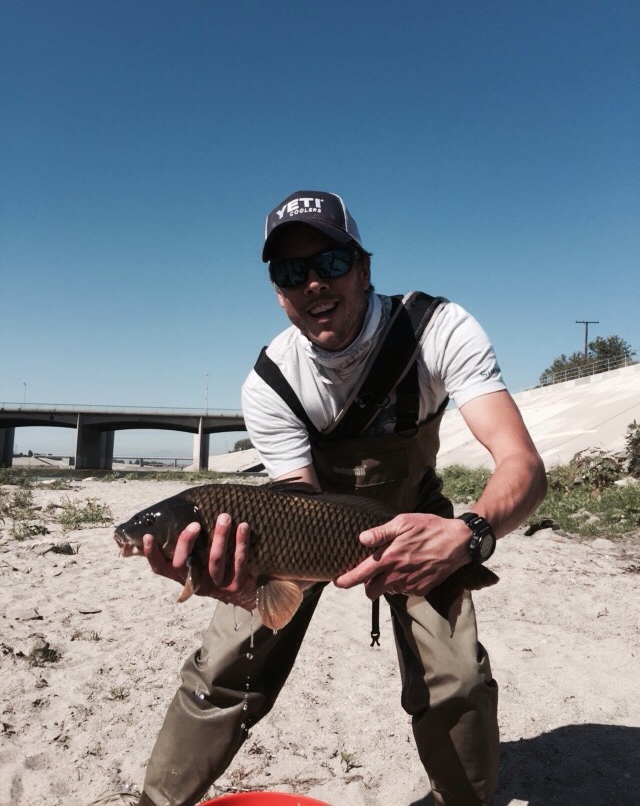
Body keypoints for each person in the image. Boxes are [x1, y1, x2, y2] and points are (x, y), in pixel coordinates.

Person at [136, 190, 547, 806]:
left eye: (328, 263)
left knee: (457, 675)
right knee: (223, 667)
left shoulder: (438, 329)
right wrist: (245, 576)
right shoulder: (271, 379)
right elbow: (294, 501)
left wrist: (470, 533)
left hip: (417, 512)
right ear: (278, 291)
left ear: (363, 268)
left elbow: (522, 464)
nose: (312, 285)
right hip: (302, 526)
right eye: (289, 272)